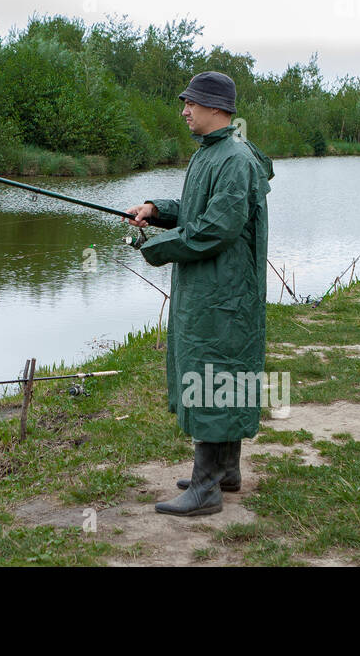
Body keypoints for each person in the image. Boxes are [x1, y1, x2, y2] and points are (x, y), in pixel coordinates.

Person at [125, 70, 274, 516]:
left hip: (224, 292)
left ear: (215, 108)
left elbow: (215, 229)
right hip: (211, 288)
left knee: (212, 372)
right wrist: (155, 211)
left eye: (191, 103)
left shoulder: (236, 159)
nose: (184, 111)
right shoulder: (213, 153)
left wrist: (153, 245)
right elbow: (196, 212)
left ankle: (205, 489)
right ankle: (225, 471)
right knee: (219, 371)